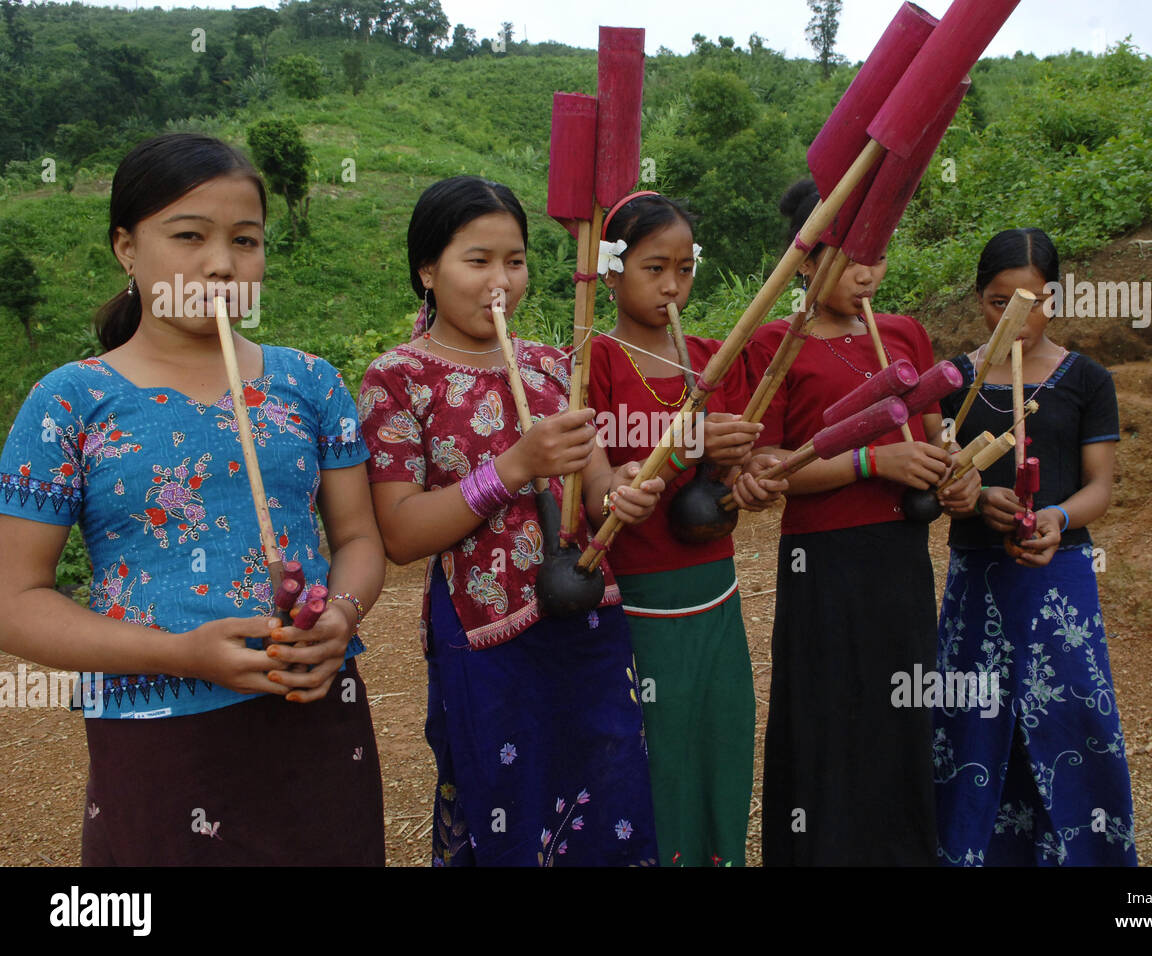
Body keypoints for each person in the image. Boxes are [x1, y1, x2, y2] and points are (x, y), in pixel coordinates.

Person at [0, 133, 387, 865]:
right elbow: (13, 599)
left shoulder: (310, 383)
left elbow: (359, 541)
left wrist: (340, 615)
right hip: (158, 732)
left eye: (246, 240)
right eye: (189, 236)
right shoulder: (70, 401)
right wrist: (179, 653)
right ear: (126, 248)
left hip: (317, 712)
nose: (221, 263)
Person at [360, 175, 665, 866]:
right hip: (485, 638)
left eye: (516, 261)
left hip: (586, 618)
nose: (502, 280)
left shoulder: (553, 366)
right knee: (503, 801)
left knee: (608, 787)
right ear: (427, 270)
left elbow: (595, 486)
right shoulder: (397, 379)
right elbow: (403, 534)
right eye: (478, 261)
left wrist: (623, 492)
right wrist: (513, 468)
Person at [750, 179, 979, 866]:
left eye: (875, 257)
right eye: (849, 258)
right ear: (805, 257)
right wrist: (872, 462)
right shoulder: (776, 344)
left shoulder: (904, 332)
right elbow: (776, 466)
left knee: (900, 711)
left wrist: (958, 474)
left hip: (900, 557)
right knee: (829, 711)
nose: (866, 274)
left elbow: (939, 439)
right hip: (822, 561)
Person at [586, 191, 786, 867]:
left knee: (720, 733)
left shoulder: (713, 359)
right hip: (638, 599)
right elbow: (594, 490)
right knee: (656, 744)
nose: (672, 285)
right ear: (611, 271)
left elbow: (726, 477)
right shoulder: (594, 361)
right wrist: (680, 445)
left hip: (715, 591)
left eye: (683, 268)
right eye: (653, 268)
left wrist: (748, 479)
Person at [933, 227, 1137, 866]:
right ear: (979, 300)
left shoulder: (1087, 380)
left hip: (1062, 575)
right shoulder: (954, 383)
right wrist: (966, 494)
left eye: (1032, 301)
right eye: (999, 303)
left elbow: (1100, 488)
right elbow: (938, 479)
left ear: (1054, 298)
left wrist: (1053, 516)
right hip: (978, 576)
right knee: (974, 718)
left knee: (1073, 714)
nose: (1016, 319)